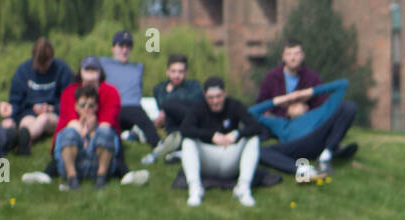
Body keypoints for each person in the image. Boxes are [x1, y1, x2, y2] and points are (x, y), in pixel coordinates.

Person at [254, 38, 356, 176]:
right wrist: (283, 102)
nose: (293, 57)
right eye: (289, 54)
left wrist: (306, 92)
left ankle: (327, 154)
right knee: (258, 151)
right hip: (295, 142)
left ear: (302, 56)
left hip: (317, 132)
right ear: (283, 57)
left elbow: (343, 84)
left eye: (296, 53)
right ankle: (304, 170)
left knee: (349, 107)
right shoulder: (280, 121)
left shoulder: (312, 81)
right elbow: (253, 111)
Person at [180, 76, 264, 207]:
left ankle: (243, 187)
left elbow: (256, 127)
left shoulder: (235, 105)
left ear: (224, 93)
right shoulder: (198, 107)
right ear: (204, 96)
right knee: (187, 142)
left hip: (230, 156)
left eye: (218, 96)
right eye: (210, 98)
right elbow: (185, 129)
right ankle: (195, 188)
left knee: (253, 139)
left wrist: (236, 134)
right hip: (208, 159)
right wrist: (211, 136)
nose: (215, 101)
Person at [8, 37, 72, 154]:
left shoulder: (62, 70)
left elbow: (69, 99)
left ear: (51, 59)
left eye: (45, 65)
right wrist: (10, 116)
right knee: (25, 122)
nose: (42, 69)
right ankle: (23, 138)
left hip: (52, 114)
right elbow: (16, 100)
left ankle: (24, 139)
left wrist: (50, 108)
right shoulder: (23, 71)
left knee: (43, 119)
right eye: (39, 65)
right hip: (29, 112)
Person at [53, 84, 119, 190]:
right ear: (76, 107)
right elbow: (58, 150)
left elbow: (114, 148)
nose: (86, 109)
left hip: (98, 165)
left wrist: (92, 130)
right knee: (69, 133)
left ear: (96, 107)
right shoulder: (70, 128)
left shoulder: (102, 127)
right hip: (73, 165)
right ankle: (72, 180)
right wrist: (80, 130)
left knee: (106, 132)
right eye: (83, 105)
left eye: (91, 105)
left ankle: (101, 179)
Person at [101, 29, 159, 149]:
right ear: (113, 48)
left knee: (145, 122)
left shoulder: (138, 67)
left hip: (133, 108)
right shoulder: (103, 64)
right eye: (121, 46)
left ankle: (159, 148)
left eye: (128, 46)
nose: (125, 50)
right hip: (113, 106)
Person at [143, 52, 202, 165]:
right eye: (173, 71)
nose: (177, 75)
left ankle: (163, 153)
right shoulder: (159, 89)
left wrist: (167, 106)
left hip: (190, 123)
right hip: (171, 128)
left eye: (180, 72)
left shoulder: (194, 87)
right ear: (167, 72)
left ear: (186, 73)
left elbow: (195, 104)